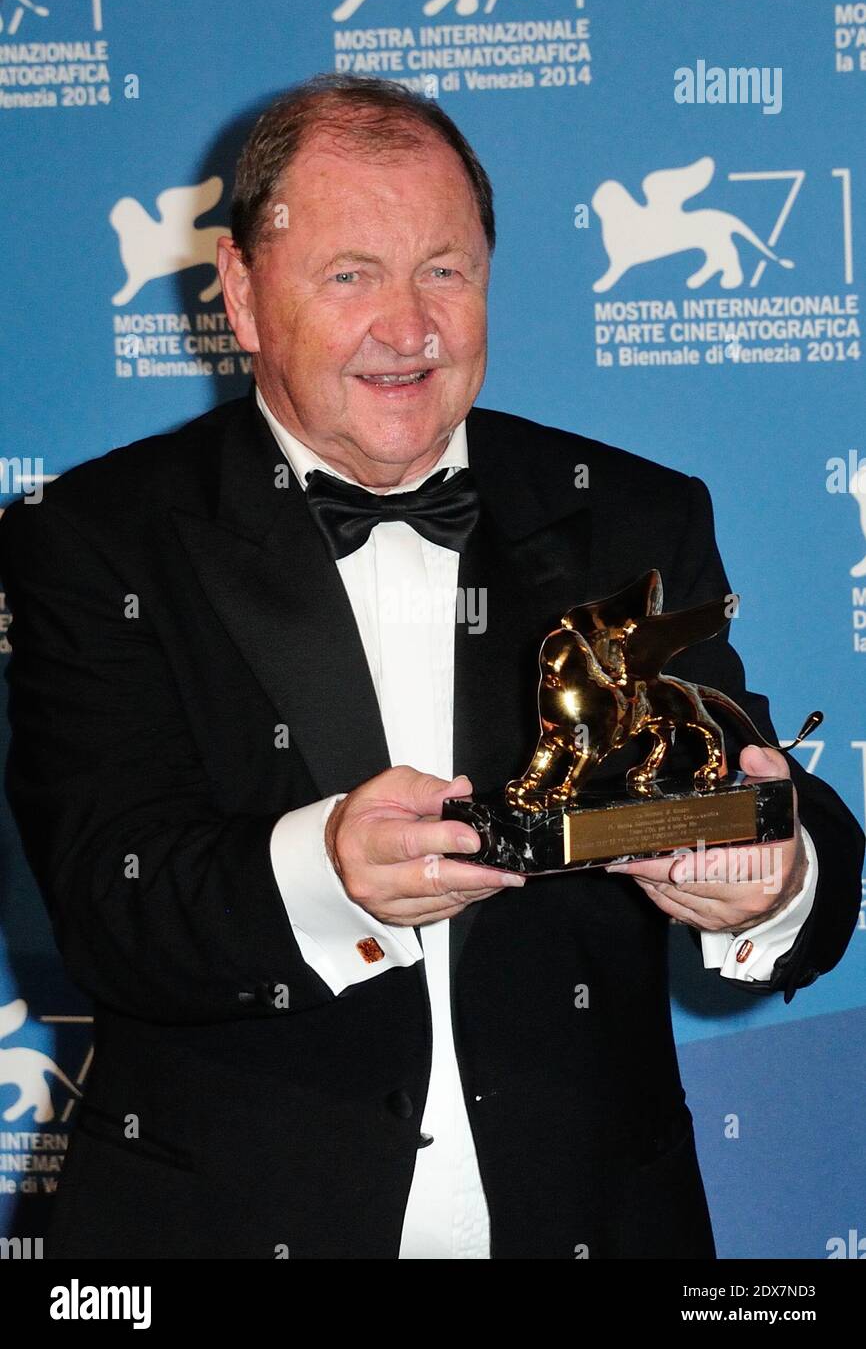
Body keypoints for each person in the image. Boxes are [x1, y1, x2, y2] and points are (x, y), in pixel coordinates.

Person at [1, 74, 862, 1260]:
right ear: (243, 295)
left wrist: (774, 873)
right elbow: (110, 898)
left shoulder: (626, 515)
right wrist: (324, 874)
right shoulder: (99, 538)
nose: (406, 329)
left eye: (443, 270)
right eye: (349, 273)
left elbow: (762, 784)